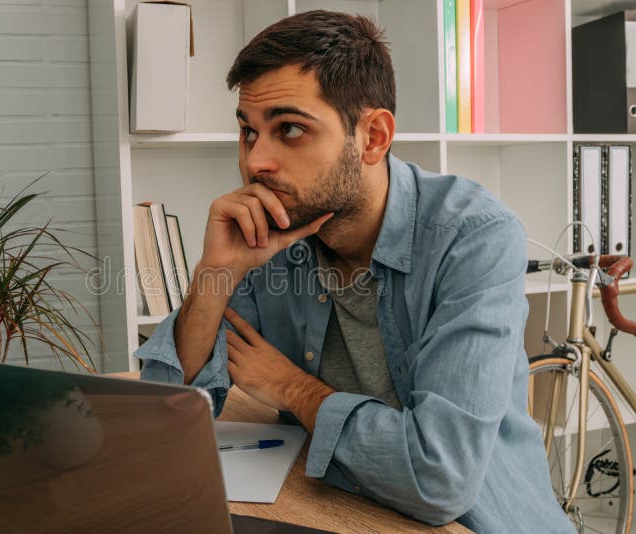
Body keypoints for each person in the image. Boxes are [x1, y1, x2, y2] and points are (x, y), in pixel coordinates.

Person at [136, 10, 573, 532]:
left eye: (290, 129)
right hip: (342, 512)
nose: (256, 162)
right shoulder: (274, 236)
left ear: (372, 137)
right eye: (249, 132)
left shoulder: (473, 237)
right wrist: (215, 275)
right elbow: (169, 414)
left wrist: (294, 389)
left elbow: (441, 479)